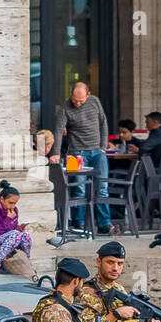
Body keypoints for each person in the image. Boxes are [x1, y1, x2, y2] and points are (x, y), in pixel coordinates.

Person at [49, 81, 112, 234]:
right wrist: (56, 152)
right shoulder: (65, 108)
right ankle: (79, 224)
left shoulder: (95, 101)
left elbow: (103, 123)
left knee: (102, 187)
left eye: (81, 101)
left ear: (88, 95)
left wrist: (103, 146)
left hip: (97, 151)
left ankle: (105, 224)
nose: (77, 103)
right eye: (75, 100)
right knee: (79, 189)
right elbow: (58, 130)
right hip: (77, 152)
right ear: (71, 95)